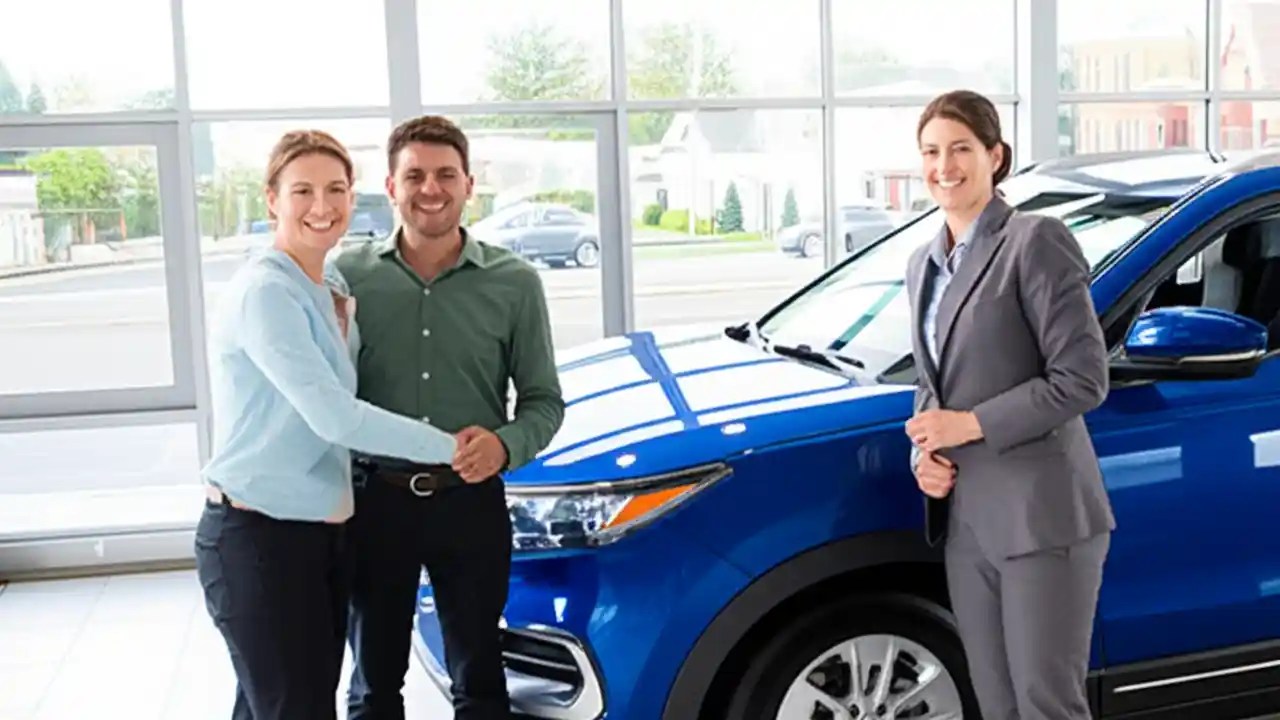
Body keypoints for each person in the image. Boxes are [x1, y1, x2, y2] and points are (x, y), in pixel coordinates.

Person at [194, 129, 460, 720]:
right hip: (259, 538)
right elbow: (335, 416)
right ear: (271, 199)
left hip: (319, 534)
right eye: (303, 191)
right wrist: (449, 448)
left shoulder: (328, 284)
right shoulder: (266, 291)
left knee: (278, 706)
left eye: (336, 189)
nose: (323, 205)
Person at [330, 115, 564, 720]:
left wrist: (505, 445)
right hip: (375, 503)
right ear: (391, 186)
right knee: (373, 684)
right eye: (414, 176)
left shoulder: (515, 283)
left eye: (445, 175)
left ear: (468, 185)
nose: (430, 189)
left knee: (480, 677)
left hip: (471, 503)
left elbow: (544, 401)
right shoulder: (346, 278)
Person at [902, 90, 1116, 720]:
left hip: (1042, 518)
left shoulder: (1034, 241)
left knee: (1046, 705)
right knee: (997, 707)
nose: (944, 166)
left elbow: (1082, 379)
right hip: (967, 524)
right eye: (931, 152)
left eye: (961, 149)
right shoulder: (922, 264)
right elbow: (935, 381)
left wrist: (968, 425)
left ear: (995, 156)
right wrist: (925, 455)